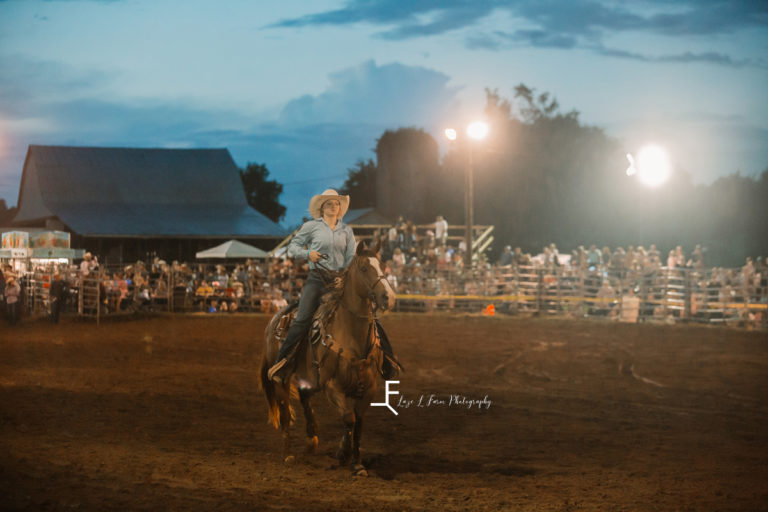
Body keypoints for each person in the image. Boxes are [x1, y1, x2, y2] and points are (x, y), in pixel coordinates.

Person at [267, 189, 356, 384]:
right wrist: (308, 254)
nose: (334, 206)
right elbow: (293, 247)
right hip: (317, 279)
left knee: (363, 314)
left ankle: (383, 360)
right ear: (322, 207)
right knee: (302, 320)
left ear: (340, 207)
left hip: (339, 282)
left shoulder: (346, 231)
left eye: (336, 203)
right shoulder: (311, 227)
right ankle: (282, 363)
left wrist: (345, 276)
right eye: (329, 203)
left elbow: (351, 257)